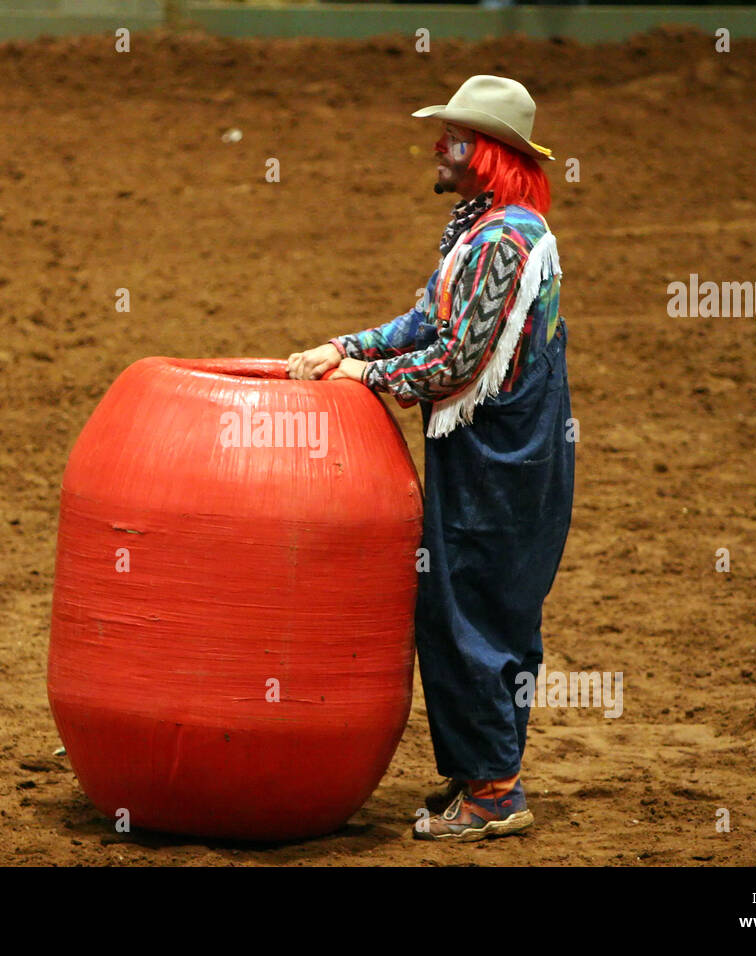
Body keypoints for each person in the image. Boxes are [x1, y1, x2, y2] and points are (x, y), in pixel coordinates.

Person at [287, 75, 574, 843]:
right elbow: (427, 319)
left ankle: (494, 792)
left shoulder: (503, 242)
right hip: (499, 454)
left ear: (485, 152)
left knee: (471, 610)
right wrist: (345, 348)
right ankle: (483, 773)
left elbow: (455, 360)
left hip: (497, 464)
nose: (435, 148)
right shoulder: (491, 232)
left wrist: (367, 375)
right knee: (471, 606)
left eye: (450, 137)